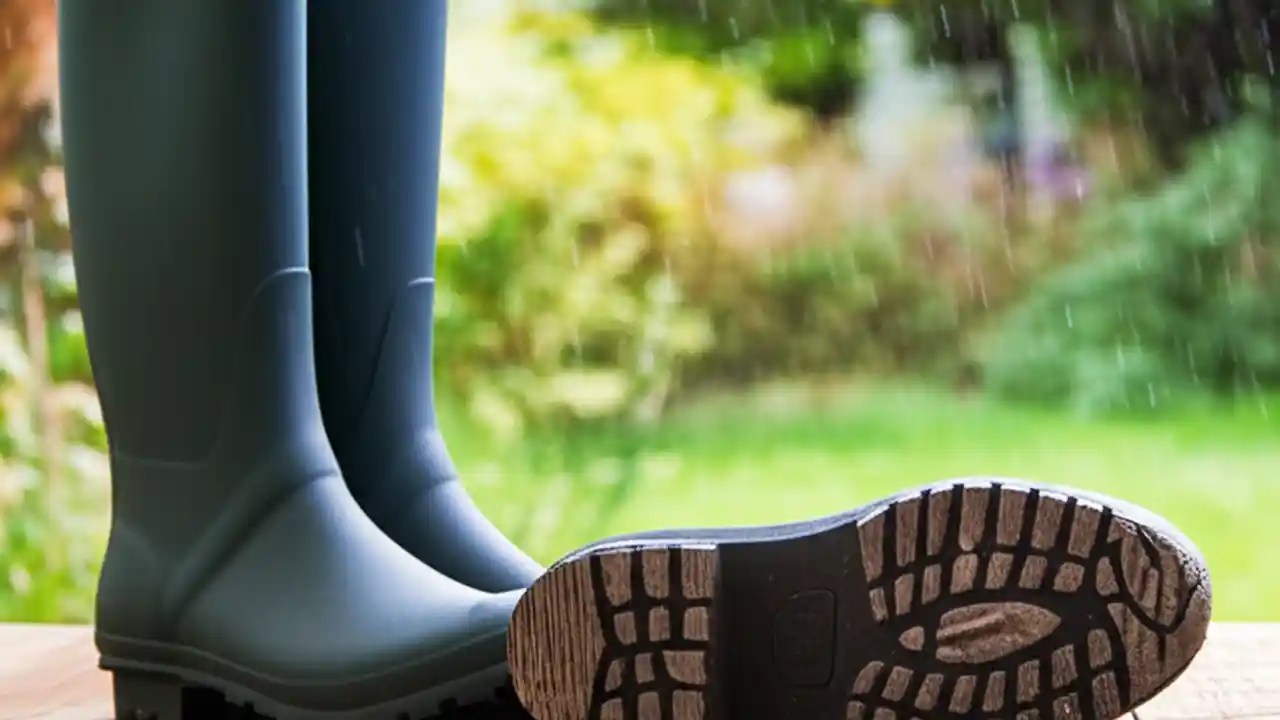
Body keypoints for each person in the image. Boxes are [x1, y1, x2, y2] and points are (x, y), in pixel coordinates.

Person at [58, 2, 1211, 719]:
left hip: (359, 497)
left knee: (424, 518)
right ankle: (229, 524)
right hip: (221, 537)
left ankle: (379, 487)